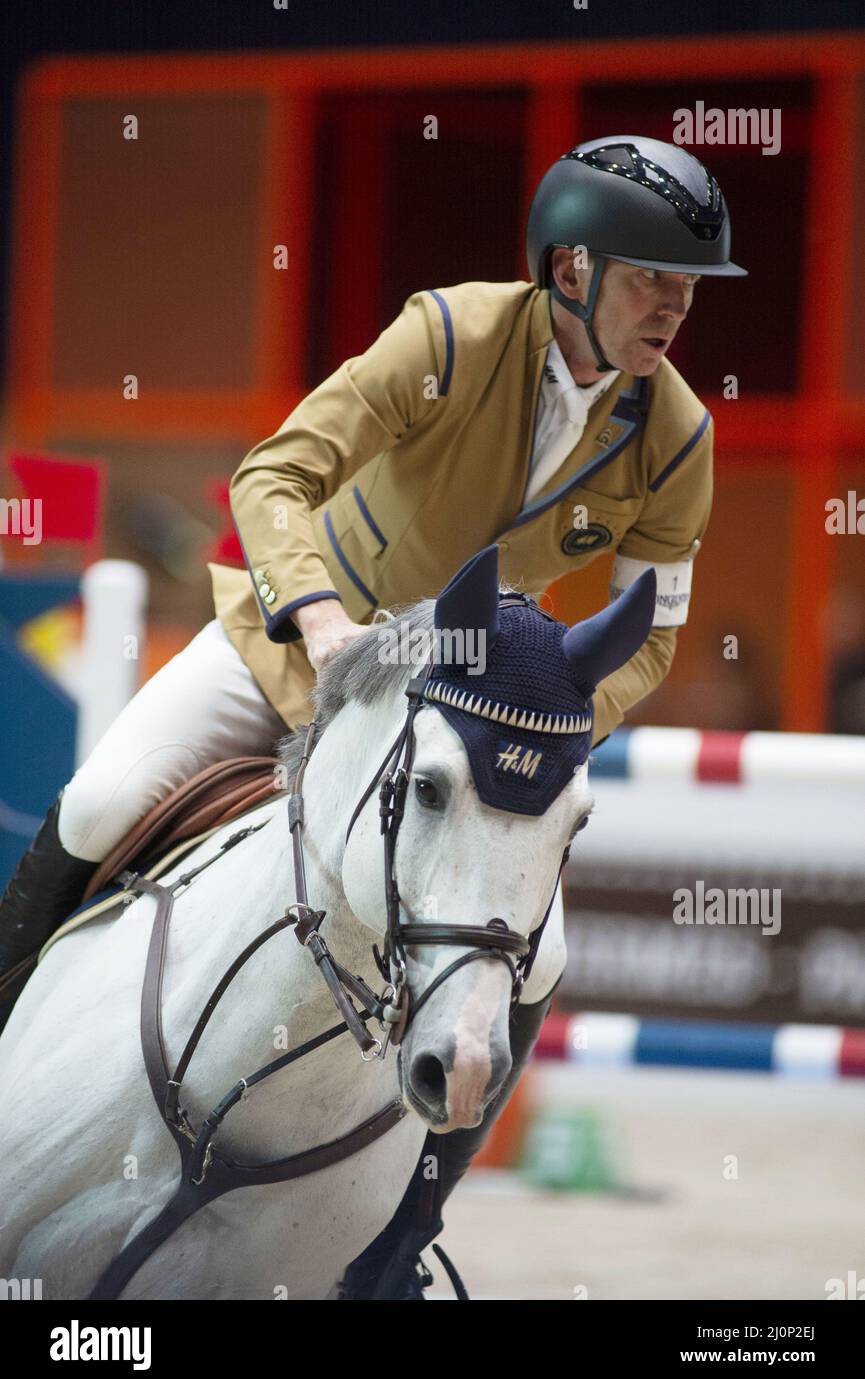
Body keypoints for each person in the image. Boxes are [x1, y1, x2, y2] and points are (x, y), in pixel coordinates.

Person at [0, 135, 747, 1297]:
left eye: (687, 286)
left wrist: (542, 714)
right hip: (298, 642)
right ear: (570, 274)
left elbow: (648, 636)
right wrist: (318, 620)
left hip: (453, 698)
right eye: (651, 278)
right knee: (100, 799)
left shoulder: (679, 440)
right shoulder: (446, 335)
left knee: (538, 949)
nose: (675, 307)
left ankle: (402, 1228)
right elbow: (272, 477)